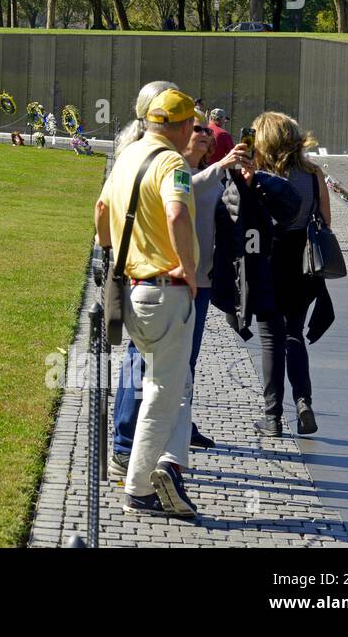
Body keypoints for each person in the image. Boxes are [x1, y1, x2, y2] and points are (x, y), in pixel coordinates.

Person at [111, 115, 253, 466]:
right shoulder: (172, 169)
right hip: (167, 281)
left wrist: (244, 179)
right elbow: (184, 194)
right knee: (141, 363)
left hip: (198, 282)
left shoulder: (206, 173)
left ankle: (173, 432)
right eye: (198, 129)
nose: (205, 134)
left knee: (182, 368)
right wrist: (222, 164)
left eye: (208, 130)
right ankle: (126, 440)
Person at [95, 87, 201, 520]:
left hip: (131, 289)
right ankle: (141, 485)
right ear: (178, 128)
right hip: (165, 290)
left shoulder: (127, 156)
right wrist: (187, 267)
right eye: (191, 125)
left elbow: (102, 210)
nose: (194, 132)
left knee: (175, 384)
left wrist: (112, 254)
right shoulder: (172, 163)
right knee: (163, 391)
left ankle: (169, 466)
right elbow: (177, 215)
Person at [250, 111, 333, 437]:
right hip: (303, 263)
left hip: (269, 261)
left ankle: (272, 418)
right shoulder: (313, 174)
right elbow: (325, 221)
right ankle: (304, 403)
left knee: (271, 338)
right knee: (295, 333)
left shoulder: (258, 176)